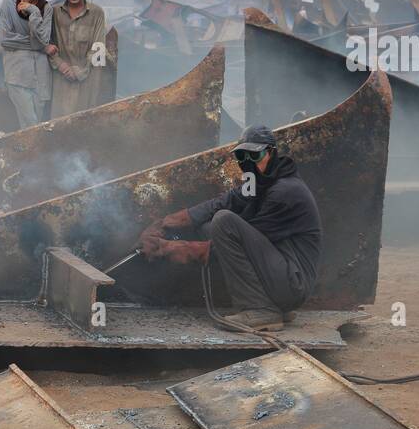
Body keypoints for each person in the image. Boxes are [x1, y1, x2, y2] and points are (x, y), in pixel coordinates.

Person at [136, 126, 321, 331]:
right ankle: (274, 306)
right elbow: (220, 203)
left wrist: (172, 248)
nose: (248, 162)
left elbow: (241, 241)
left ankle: (261, 310)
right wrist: (163, 224)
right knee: (210, 226)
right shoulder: (262, 183)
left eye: (255, 155)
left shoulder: (285, 191)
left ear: (271, 152)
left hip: (293, 284)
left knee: (224, 222)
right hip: (282, 277)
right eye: (242, 156)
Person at [49, 0, 114, 119]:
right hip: (60, 77)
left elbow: (98, 47)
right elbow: (47, 44)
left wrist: (79, 71)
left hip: (88, 76)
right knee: (59, 120)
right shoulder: (54, 13)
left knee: (84, 119)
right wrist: (62, 66)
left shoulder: (97, 12)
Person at [0, 0, 55, 129]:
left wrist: (34, 11)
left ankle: (34, 153)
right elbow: (6, 39)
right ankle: (32, 153)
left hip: (41, 76)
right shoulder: (8, 5)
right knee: (29, 122)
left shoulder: (46, 8)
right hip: (18, 74)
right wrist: (40, 46)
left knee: (37, 121)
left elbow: (44, 38)